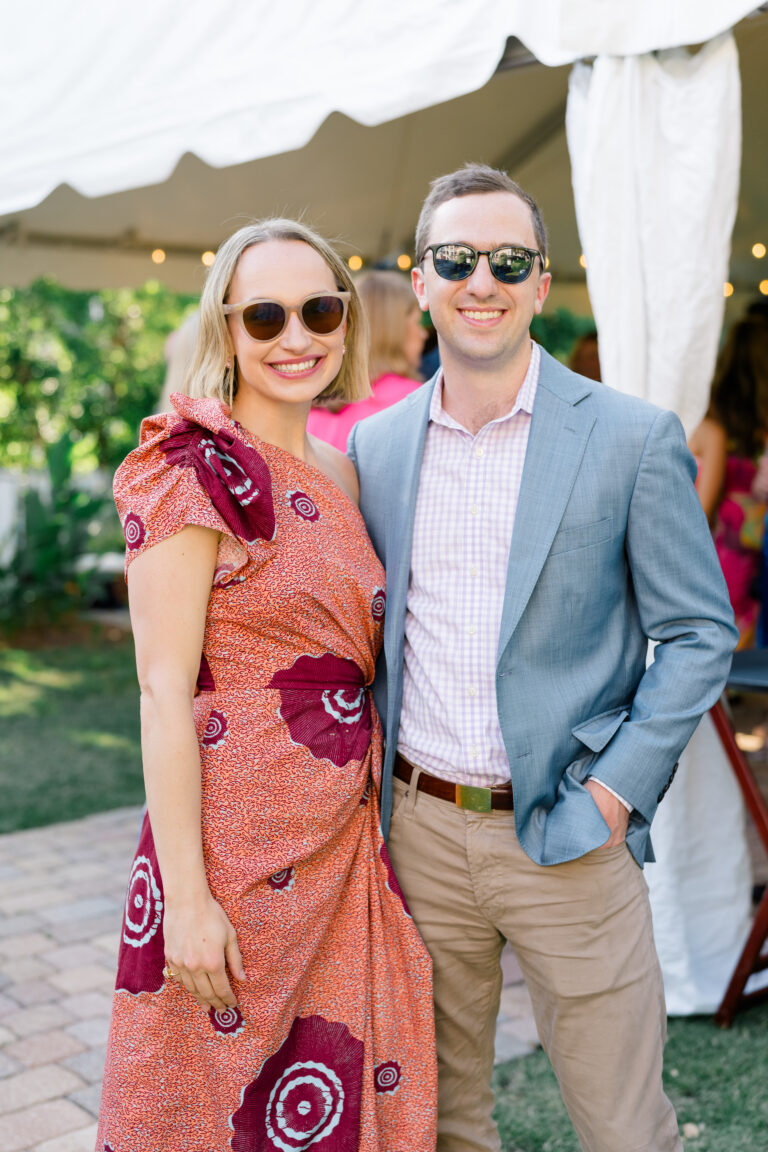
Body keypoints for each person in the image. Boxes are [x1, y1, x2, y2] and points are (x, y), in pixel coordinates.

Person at [348, 164, 737, 1152]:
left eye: (508, 260)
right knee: (439, 1121)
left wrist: (614, 793)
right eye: (457, 259)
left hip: (570, 832)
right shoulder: (378, 448)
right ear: (423, 281)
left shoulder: (630, 437)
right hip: (421, 834)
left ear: (538, 282)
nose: (483, 279)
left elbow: (700, 633)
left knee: (621, 1126)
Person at [98, 219, 436, 1151]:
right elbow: (163, 692)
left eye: (320, 309)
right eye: (267, 316)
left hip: (340, 840)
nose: (298, 337)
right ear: (227, 330)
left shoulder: (344, 469)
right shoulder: (192, 469)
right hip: (234, 848)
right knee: (210, 1101)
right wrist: (188, 898)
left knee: (320, 1099)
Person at [646, 312, 768, 1015]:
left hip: (744, 581)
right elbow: (697, 514)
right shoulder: (721, 432)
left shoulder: (732, 430)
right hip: (724, 587)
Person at [307, 269, 426, 450]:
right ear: (394, 331)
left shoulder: (311, 408)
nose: (423, 334)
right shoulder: (415, 403)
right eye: (417, 323)